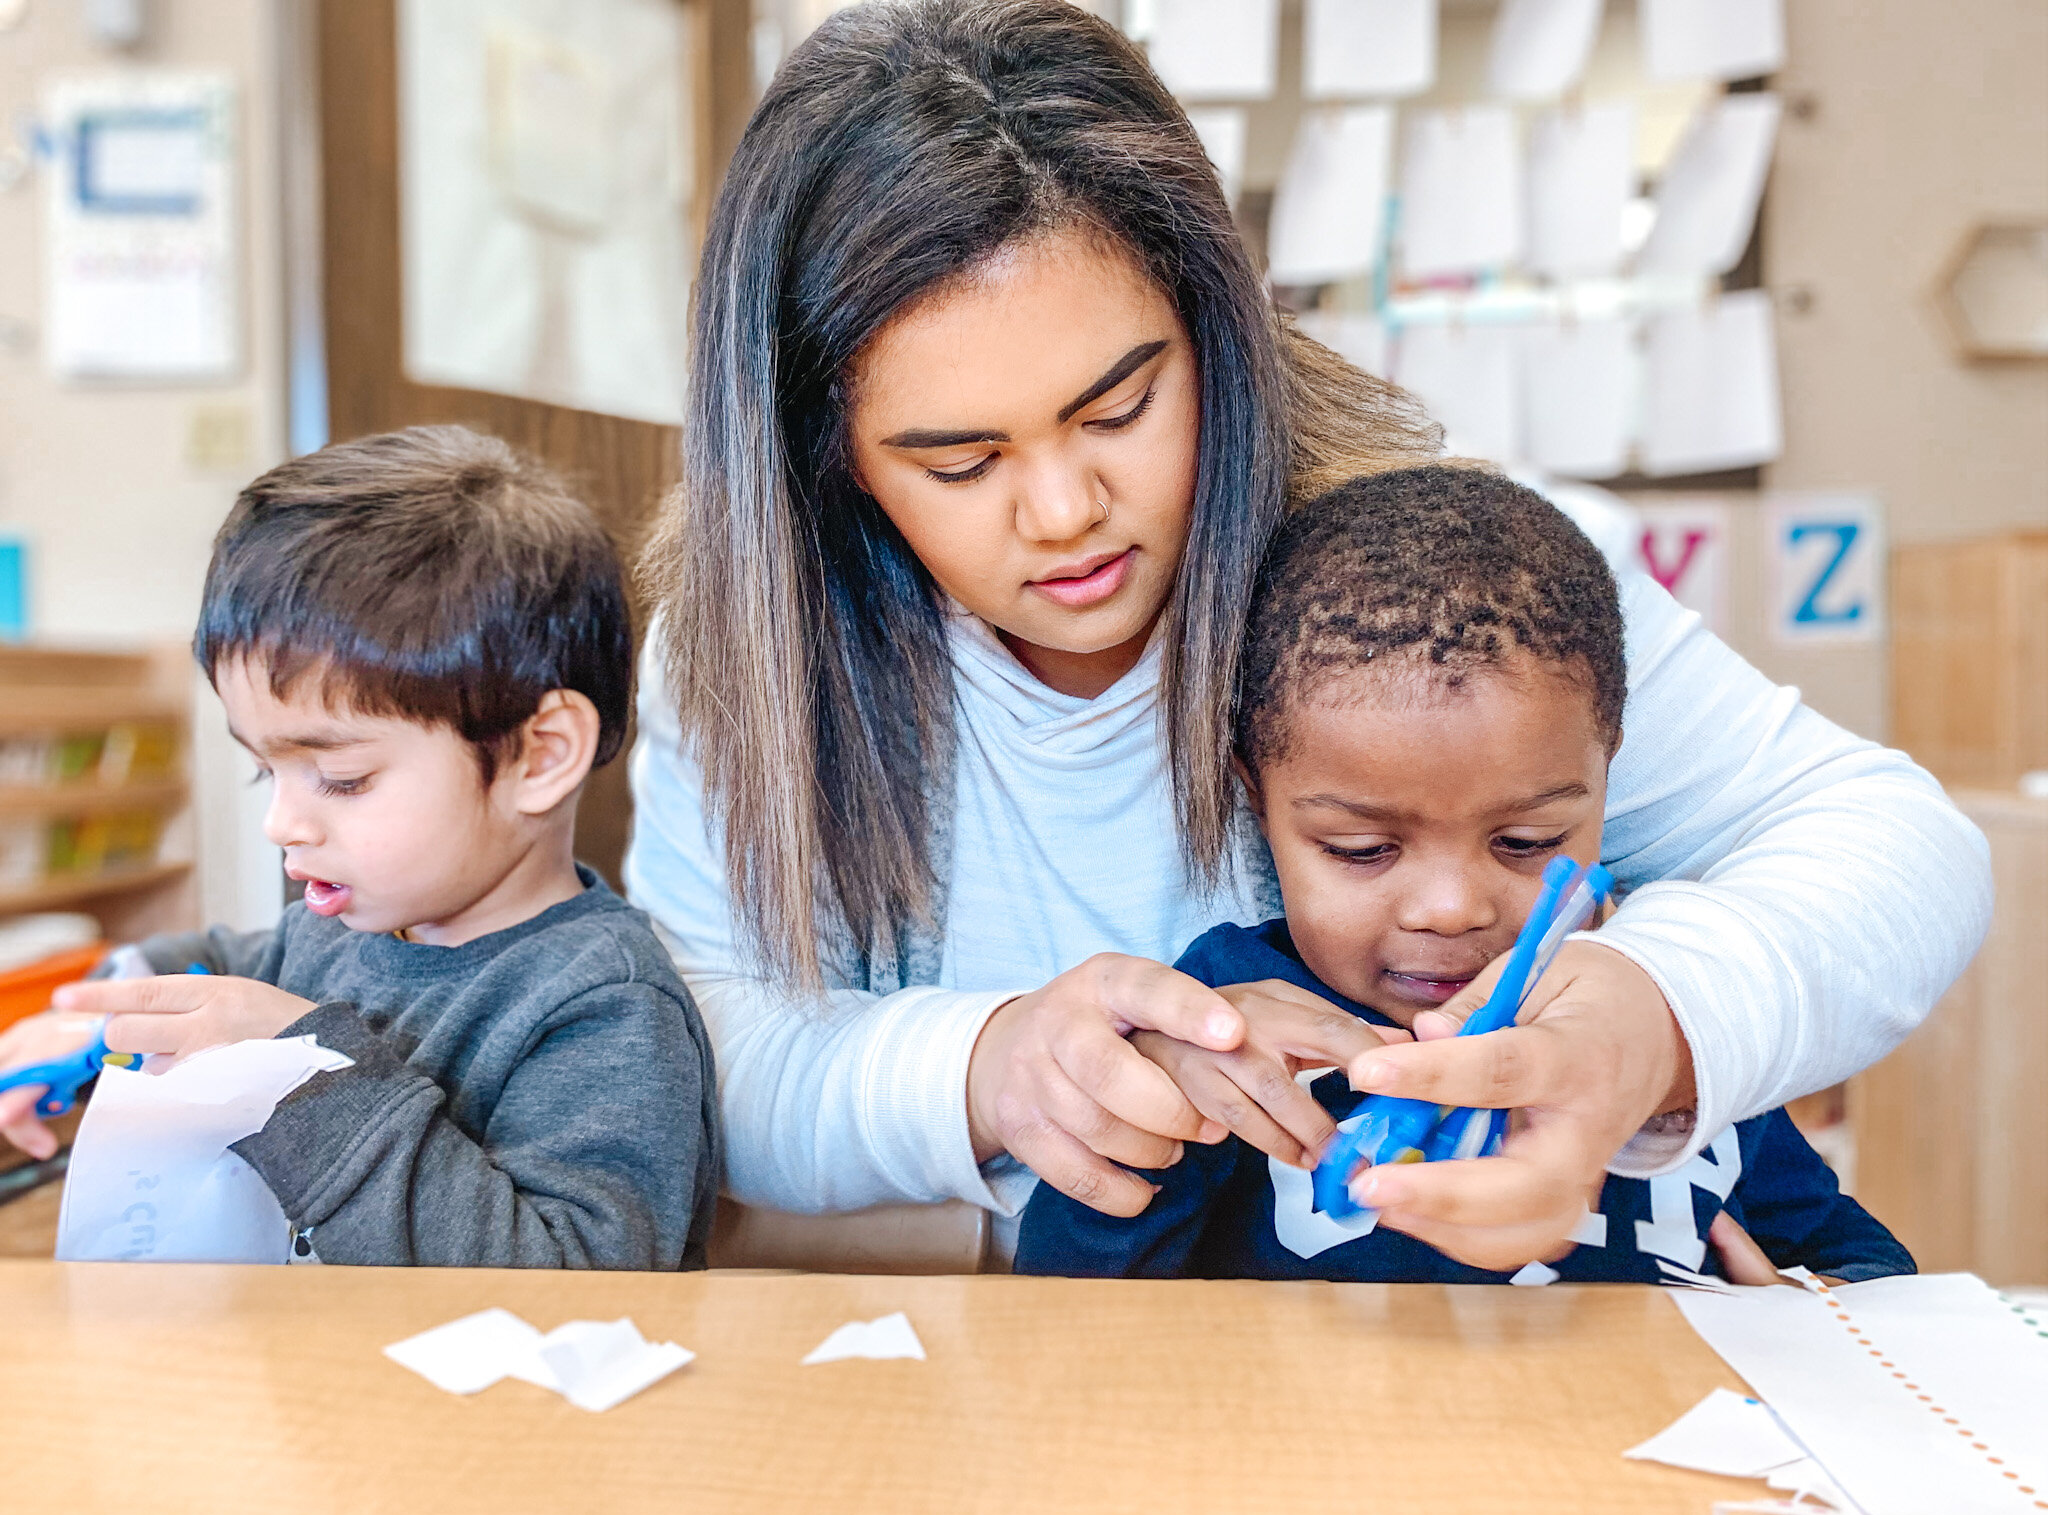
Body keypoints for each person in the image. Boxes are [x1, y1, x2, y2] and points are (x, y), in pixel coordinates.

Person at [626, 0, 1987, 1269]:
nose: (1066, 510)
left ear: (1215, 330)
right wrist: (993, 1062)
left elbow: (1902, 847)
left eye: (1118, 408)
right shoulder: (741, 661)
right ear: (831, 462)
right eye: (961, 460)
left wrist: (1658, 1011)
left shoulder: (1443, 580)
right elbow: (704, 1060)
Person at [1015, 467, 1914, 1286]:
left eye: (1526, 839)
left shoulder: (1670, 1012)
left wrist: (1818, 1311)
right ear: (1258, 799)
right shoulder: (1227, 1019)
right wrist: (1160, 1108)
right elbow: (1065, 1304)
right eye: (1362, 851)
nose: (1451, 909)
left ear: (1609, 776)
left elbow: (1859, 1258)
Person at [0, 427, 719, 1269]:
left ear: (540, 753)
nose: (282, 823)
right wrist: (97, 1014)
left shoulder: (600, 1006)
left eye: (339, 778)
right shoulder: (341, 925)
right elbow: (225, 966)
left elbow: (578, 1282)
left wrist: (303, 1077)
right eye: (262, 770)